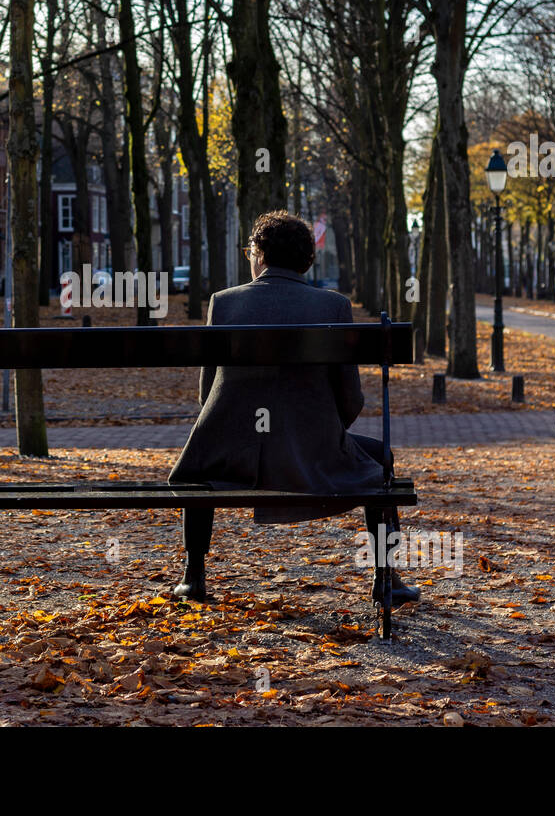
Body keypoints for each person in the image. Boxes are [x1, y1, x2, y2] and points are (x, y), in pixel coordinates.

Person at [167, 211, 419, 608]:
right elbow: (350, 400)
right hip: (310, 454)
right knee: (381, 458)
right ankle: (386, 579)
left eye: (251, 251)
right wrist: (319, 435)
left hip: (229, 457)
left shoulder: (224, 303)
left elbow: (207, 397)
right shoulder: (333, 306)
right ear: (305, 260)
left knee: (200, 462)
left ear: (260, 255)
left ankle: (193, 576)